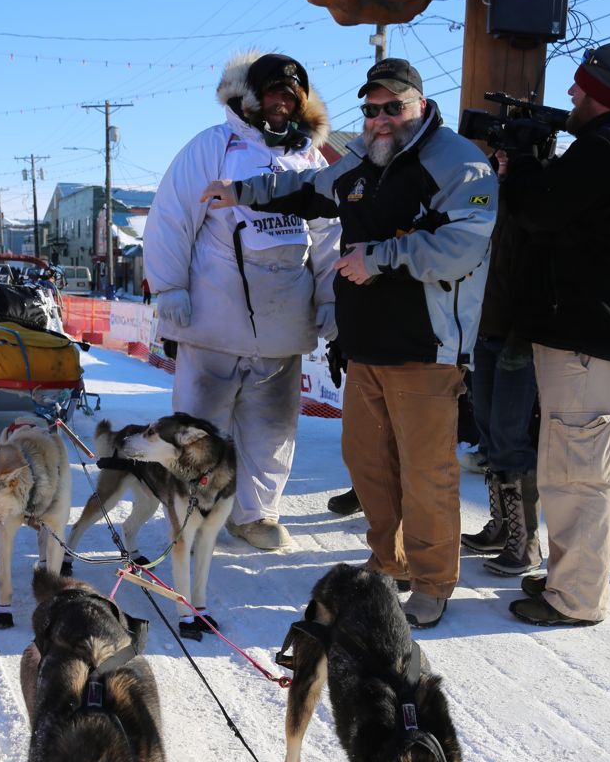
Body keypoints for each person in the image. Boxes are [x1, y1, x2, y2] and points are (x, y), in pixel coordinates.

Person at [201, 58, 497, 625]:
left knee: (426, 473)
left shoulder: (461, 162)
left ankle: (433, 582)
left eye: (392, 107)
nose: (380, 119)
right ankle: (390, 562)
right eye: (370, 109)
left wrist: (383, 258)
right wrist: (240, 190)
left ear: (419, 104)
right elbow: (306, 189)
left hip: (425, 349)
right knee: (368, 465)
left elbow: (463, 246)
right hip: (365, 347)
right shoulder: (362, 156)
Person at [143, 51, 339, 551]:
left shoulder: (310, 158)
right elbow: (170, 218)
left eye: (291, 95)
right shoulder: (212, 146)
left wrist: (329, 297)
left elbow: (330, 232)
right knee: (197, 425)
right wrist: (170, 289)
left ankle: (254, 514)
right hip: (213, 321)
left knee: (272, 430)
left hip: (281, 328)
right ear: (249, 98)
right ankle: (190, 510)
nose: (281, 102)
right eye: (272, 92)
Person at [504, 43, 610, 627]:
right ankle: (568, 579)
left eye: (581, 87)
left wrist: (526, 159)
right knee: (570, 467)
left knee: (579, 476)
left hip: (587, 341)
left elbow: (539, 212)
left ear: (605, 94)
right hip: (590, 338)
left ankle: (576, 599)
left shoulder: (609, 147)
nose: (571, 95)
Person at [461, 155, 541, 576]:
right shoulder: (485, 197)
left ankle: (525, 543)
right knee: (490, 433)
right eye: (498, 152)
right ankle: (502, 526)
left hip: (520, 337)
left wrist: (523, 335)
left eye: (511, 153)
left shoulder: (533, 202)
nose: (501, 158)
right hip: (485, 329)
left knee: (510, 434)